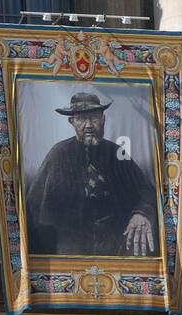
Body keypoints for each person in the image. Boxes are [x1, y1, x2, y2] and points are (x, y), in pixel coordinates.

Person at [24, 91, 158, 257]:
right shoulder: (59, 154)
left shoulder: (116, 153)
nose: (88, 125)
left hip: (113, 241)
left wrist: (141, 213)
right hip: (70, 244)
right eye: (81, 119)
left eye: (94, 118)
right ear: (72, 122)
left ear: (103, 120)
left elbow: (145, 191)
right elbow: (33, 207)